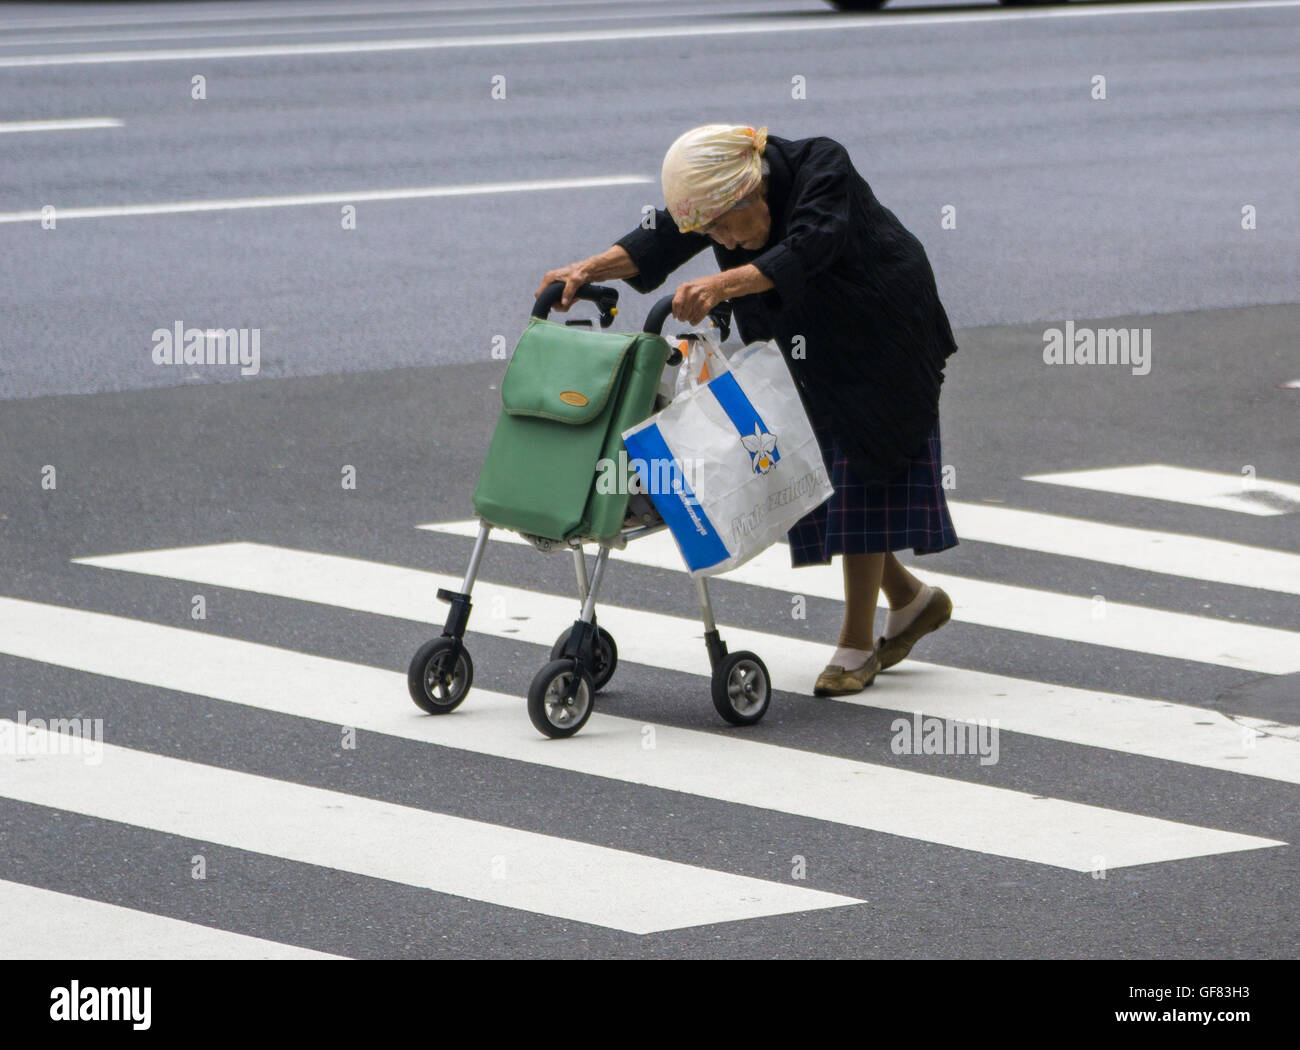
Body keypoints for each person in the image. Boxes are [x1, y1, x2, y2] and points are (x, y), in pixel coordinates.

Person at [536, 124, 958, 697]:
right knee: (814, 473)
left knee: (861, 473)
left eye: (725, 228)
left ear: (753, 193)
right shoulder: (724, 198)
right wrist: (587, 270)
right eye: (709, 233)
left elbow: (810, 244)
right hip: (803, 338)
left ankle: (856, 646)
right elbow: (659, 238)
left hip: (881, 329)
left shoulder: (822, 166)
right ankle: (910, 602)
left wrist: (723, 284)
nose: (724, 242)